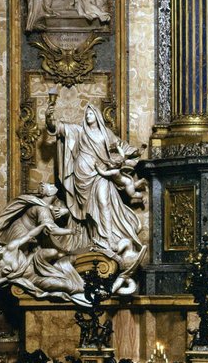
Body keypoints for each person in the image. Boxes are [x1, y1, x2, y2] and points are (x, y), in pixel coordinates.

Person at [45, 100, 146, 294]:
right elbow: (56, 128)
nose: (88, 115)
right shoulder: (79, 131)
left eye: (91, 113)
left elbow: (121, 146)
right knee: (89, 214)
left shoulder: (106, 134)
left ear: (97, 116)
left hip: (101, 175)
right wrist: (49, 116)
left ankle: (107, 239)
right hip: (82, 177)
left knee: (103, 202)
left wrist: (135, 151)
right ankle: (97, 239)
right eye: (87, 113)